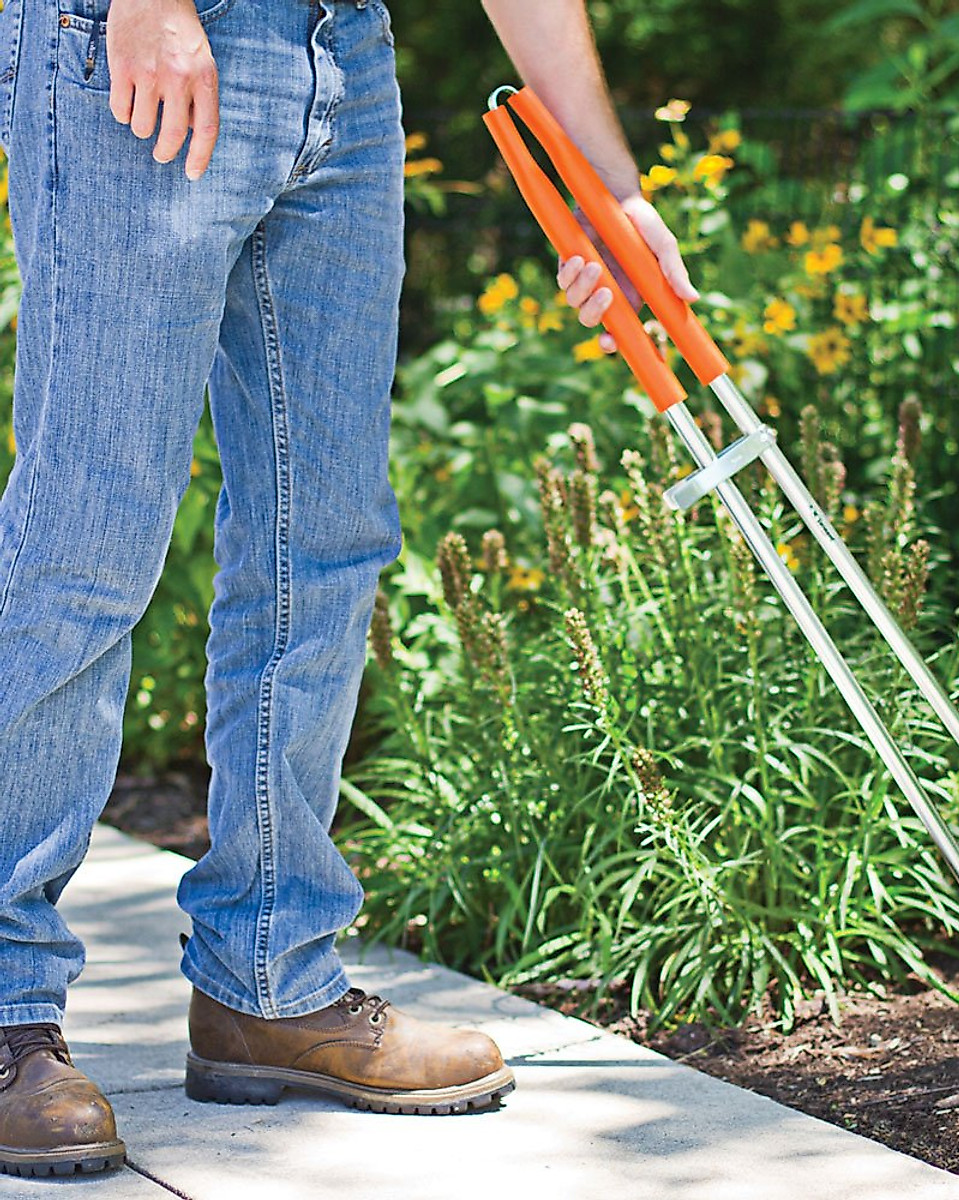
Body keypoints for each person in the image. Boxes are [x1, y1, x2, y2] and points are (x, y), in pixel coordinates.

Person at [0, 0, 697, 1177]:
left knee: (322, 538)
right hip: (141, 35)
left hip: (344, 57)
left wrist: (606, 186)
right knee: (88, 539)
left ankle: (268, 981)